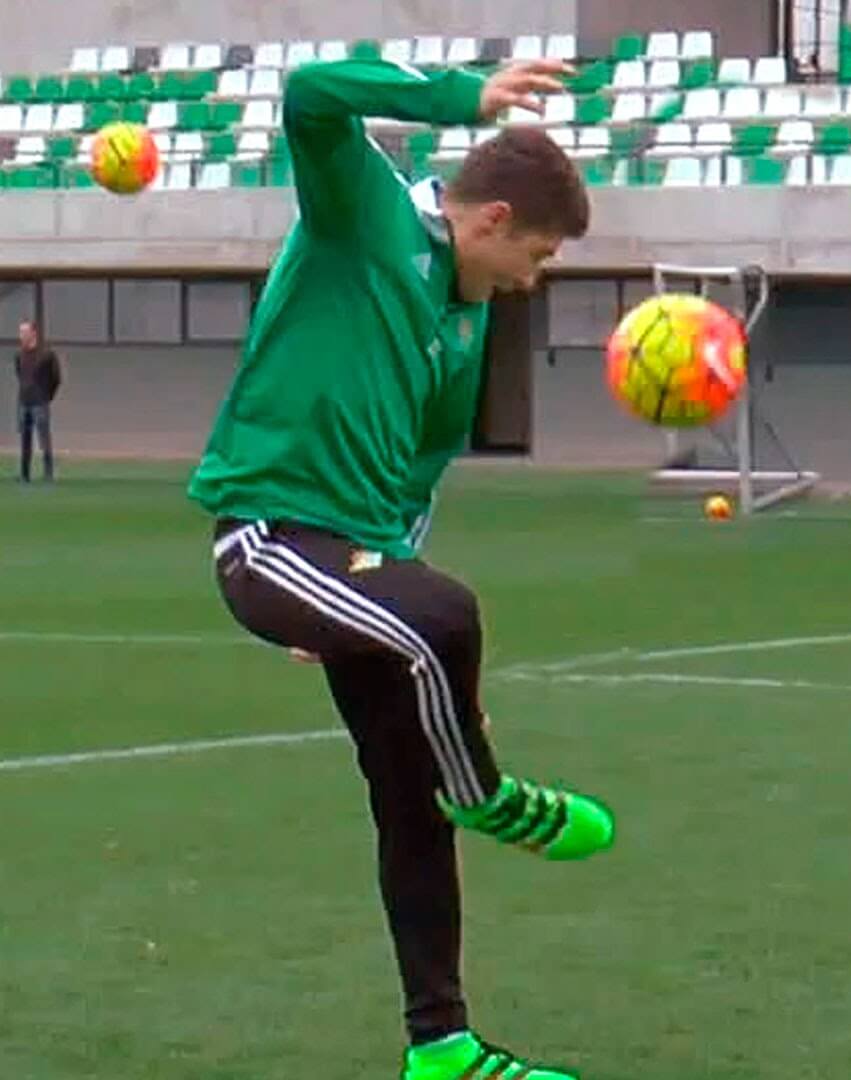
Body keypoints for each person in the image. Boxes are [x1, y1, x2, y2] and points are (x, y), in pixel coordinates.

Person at [187, 58, 613, 1080]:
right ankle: (488, 792)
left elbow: (414, 477)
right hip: (268, 538)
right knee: (449, 616)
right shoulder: (363, 214)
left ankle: (444, 1047)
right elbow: (312, 93)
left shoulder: (463, 326)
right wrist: (464, 98)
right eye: (537, 255)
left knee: (407, 792)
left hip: (348, 561)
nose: (533, 279)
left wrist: (366, 607)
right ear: (490, 218)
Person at [15, 320, 59, 483]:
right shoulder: (19, 355)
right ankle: (25, 473)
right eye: (20, 332)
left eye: (25, 332)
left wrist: (47, 395)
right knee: (25, 437)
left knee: (43, 438)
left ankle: (48, 473)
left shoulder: (46, 354)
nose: (22, 336)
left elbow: (56, 378)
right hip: (23, 402)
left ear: (34, 333)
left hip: (40, 401)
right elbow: (19, 373)